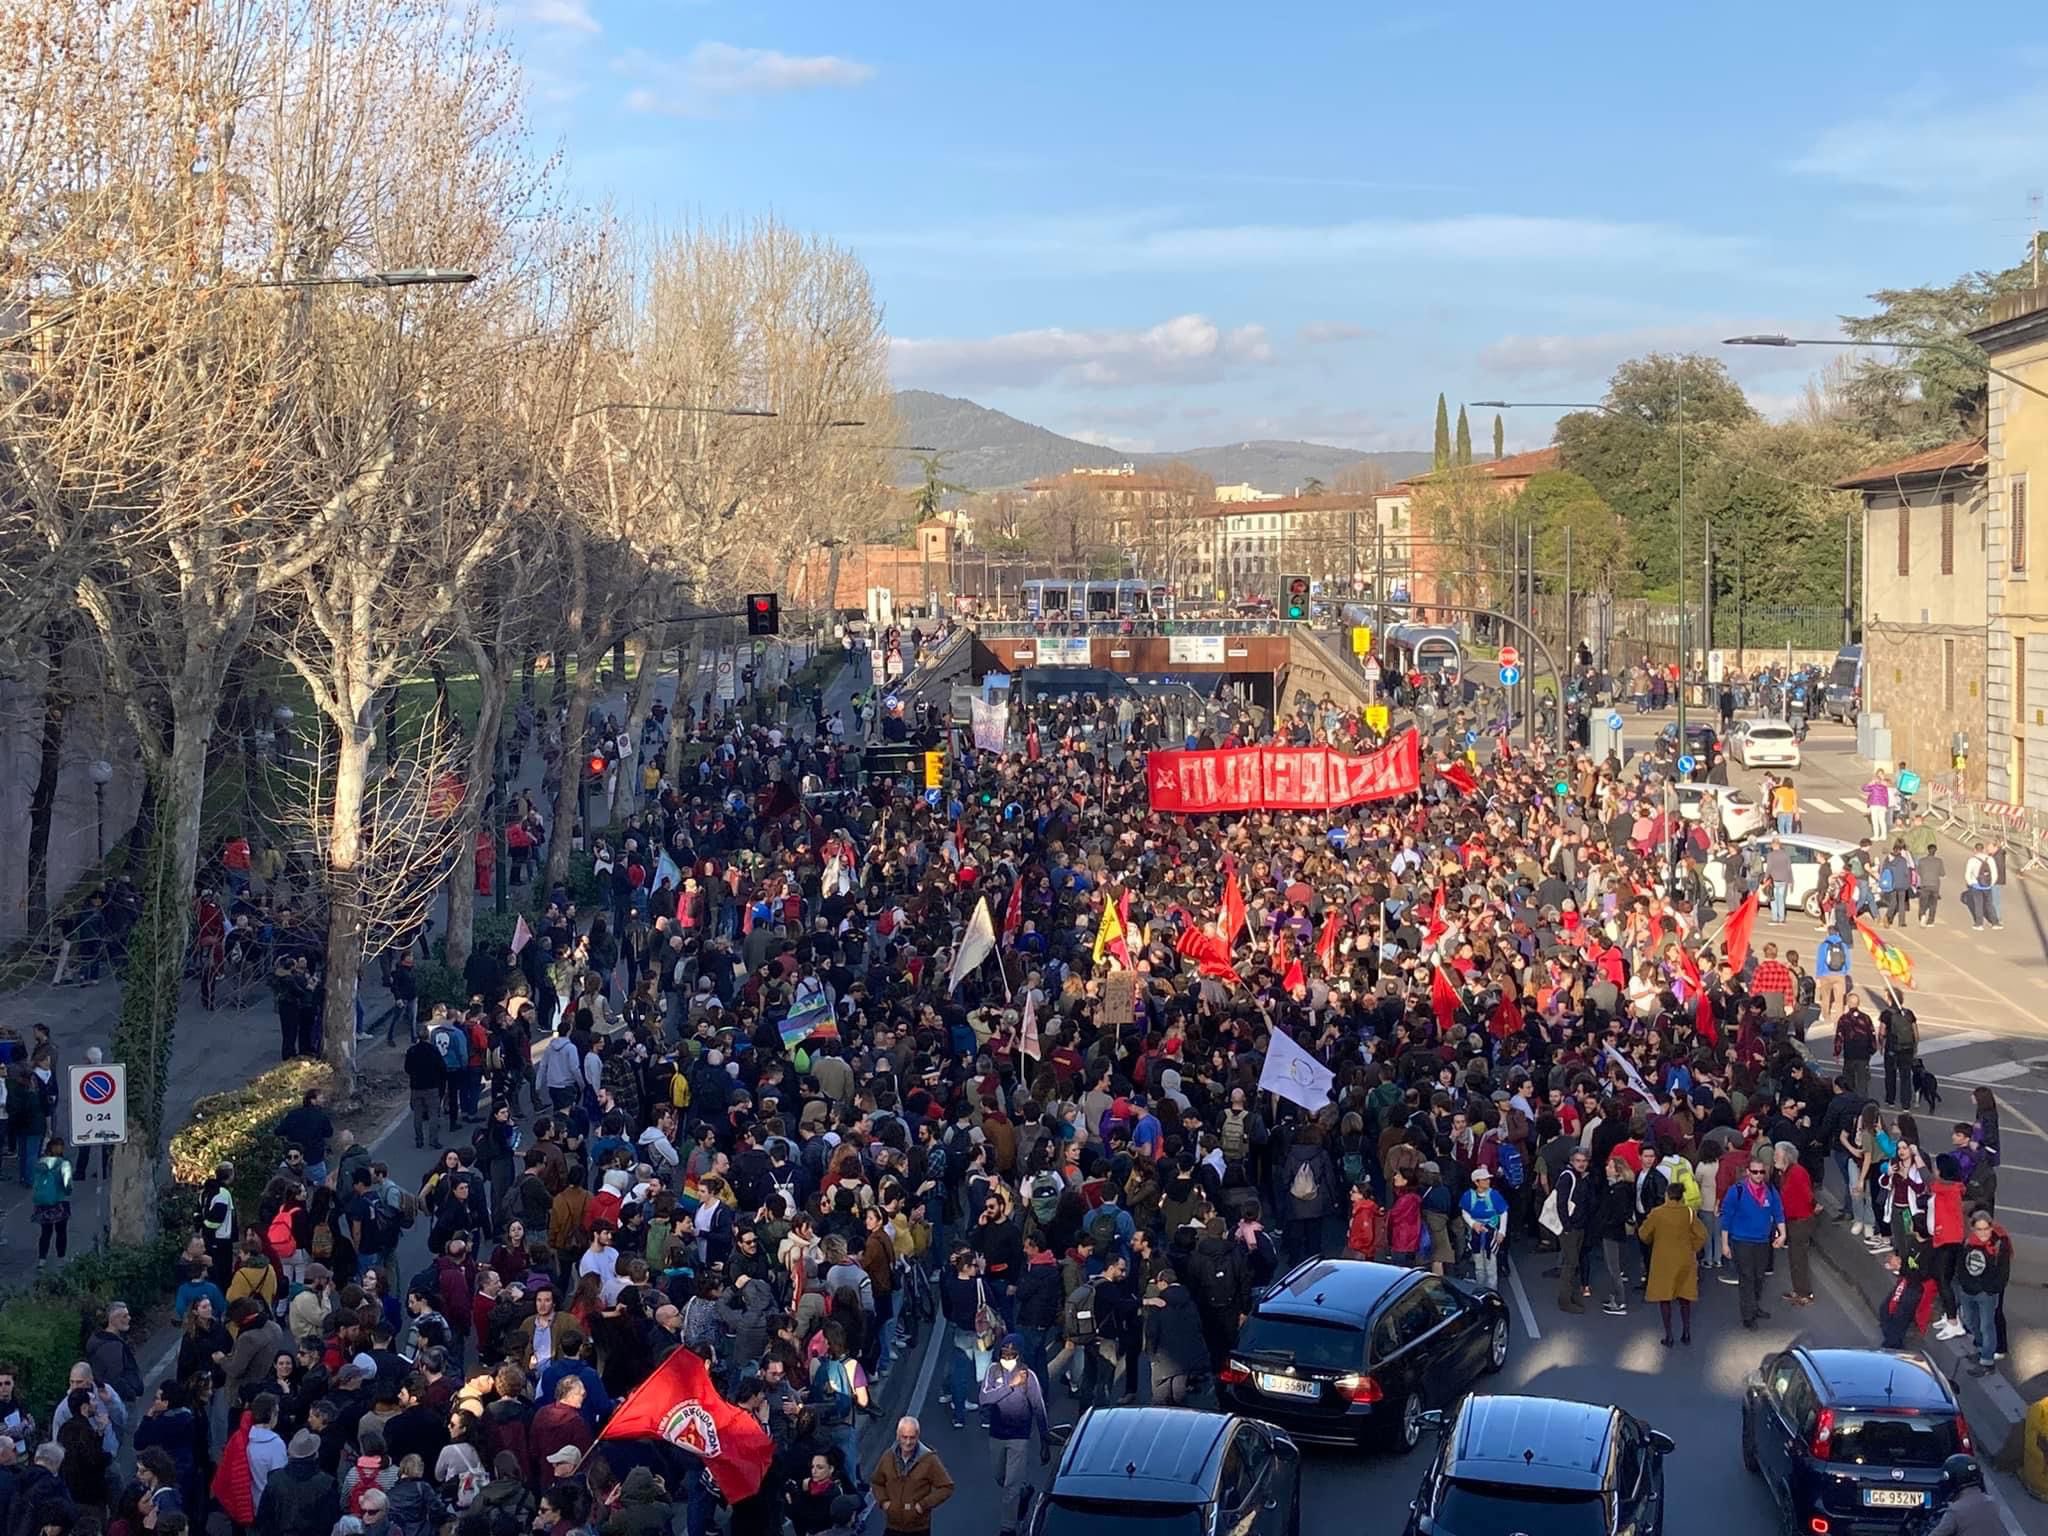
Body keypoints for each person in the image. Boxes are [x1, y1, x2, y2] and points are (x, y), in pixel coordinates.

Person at [978, 1336, 1048, 1536]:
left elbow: (1039, 1408)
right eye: (1004, 1353)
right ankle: (1024, 1490)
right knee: (1000, 1477)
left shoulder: (1029, 1377)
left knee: (1010, 1486)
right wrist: (1009, 1386)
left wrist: (1045, 1439)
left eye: (1012, 1354)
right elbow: (984, 1398)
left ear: (1020, 1355)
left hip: (1019, 1437)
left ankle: (1008, 1527)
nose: (1007, 1357)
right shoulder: (993, 1371)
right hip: (997, 1434)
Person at [1718, 1151, 1786, 1330]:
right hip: (1741, 1241)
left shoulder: (1770, 1190)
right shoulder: (1737, 1191)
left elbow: (1778, 1211)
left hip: (1762, 1241)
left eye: (1761, 1172)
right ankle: (1748, 1315)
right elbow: (1726, 1218)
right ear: (1748, 1172)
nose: (1758, 1175)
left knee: (1759, 1277)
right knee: (1747, 1277)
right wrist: (1724, 1244)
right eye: (1755, 1172)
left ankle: (1754, 1306)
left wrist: (1783, 1233)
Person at [870, 1416, 954, 1536]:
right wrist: (884, 1502)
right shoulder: (888, 1457)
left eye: (912, 1438)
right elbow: (876, 1482)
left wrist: (922, 1505)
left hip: (919, 1528)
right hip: (893, 1526)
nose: (908, 1442)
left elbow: (947, 1487)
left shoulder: (929, 1460)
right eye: (904, 1437)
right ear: (898, 1435)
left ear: (918, 1436)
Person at [1955, 1209, 2011, 1378]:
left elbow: (2003, 1273)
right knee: (1970, 1322)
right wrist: (1964, 1285)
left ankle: (1987, 1361)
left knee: (1987, 1326)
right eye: (1979, 1229)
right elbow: (1960, 1266)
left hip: (1986, 1294)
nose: (1984, 1233)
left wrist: (1990, 1289)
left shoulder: (1999, 1245)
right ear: (1973, 1229)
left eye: (1986, 1228)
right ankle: (1980, 1350)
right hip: (1968, 1291)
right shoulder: (1967, 1243)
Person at [1774, 1140, 1817, 1307]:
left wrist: (1813, 1206)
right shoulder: (1785, 1173)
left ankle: (1804, 1293)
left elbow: (1807, 1194)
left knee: (1799, 1258)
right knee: (1794, 1257)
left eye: (1777, 1155)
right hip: (1792, 1220)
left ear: (1787, 1157)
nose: (1774, 1158)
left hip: (1800, 1221)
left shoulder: (1797, 1172)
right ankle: (1798, 1289)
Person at [1458, 1165, 1507, 1291]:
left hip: (1491, 1234)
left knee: (1491, 1264)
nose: (1487, 1182)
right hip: (1475, 1234)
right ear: (1476, 1182)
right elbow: (1465, 1212)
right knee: (1478, 1265)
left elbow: (1503, 1213)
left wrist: (1501, 1232)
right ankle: (1481, 1290)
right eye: (1484, 1180)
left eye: (1488, 1179)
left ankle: (1492, 1291)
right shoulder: (1468, 1196)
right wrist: (1473, 1224)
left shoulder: (1495, 1195)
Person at [30, 1135, 71, 1265]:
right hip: (60, 1201)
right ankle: (61, 1257)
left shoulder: (40, 1163)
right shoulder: (64, 1164)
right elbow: (68, 1184)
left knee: (45, 1232)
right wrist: (67, 1190)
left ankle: (42, 1259)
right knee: (61, 1232)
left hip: (42, 1203)